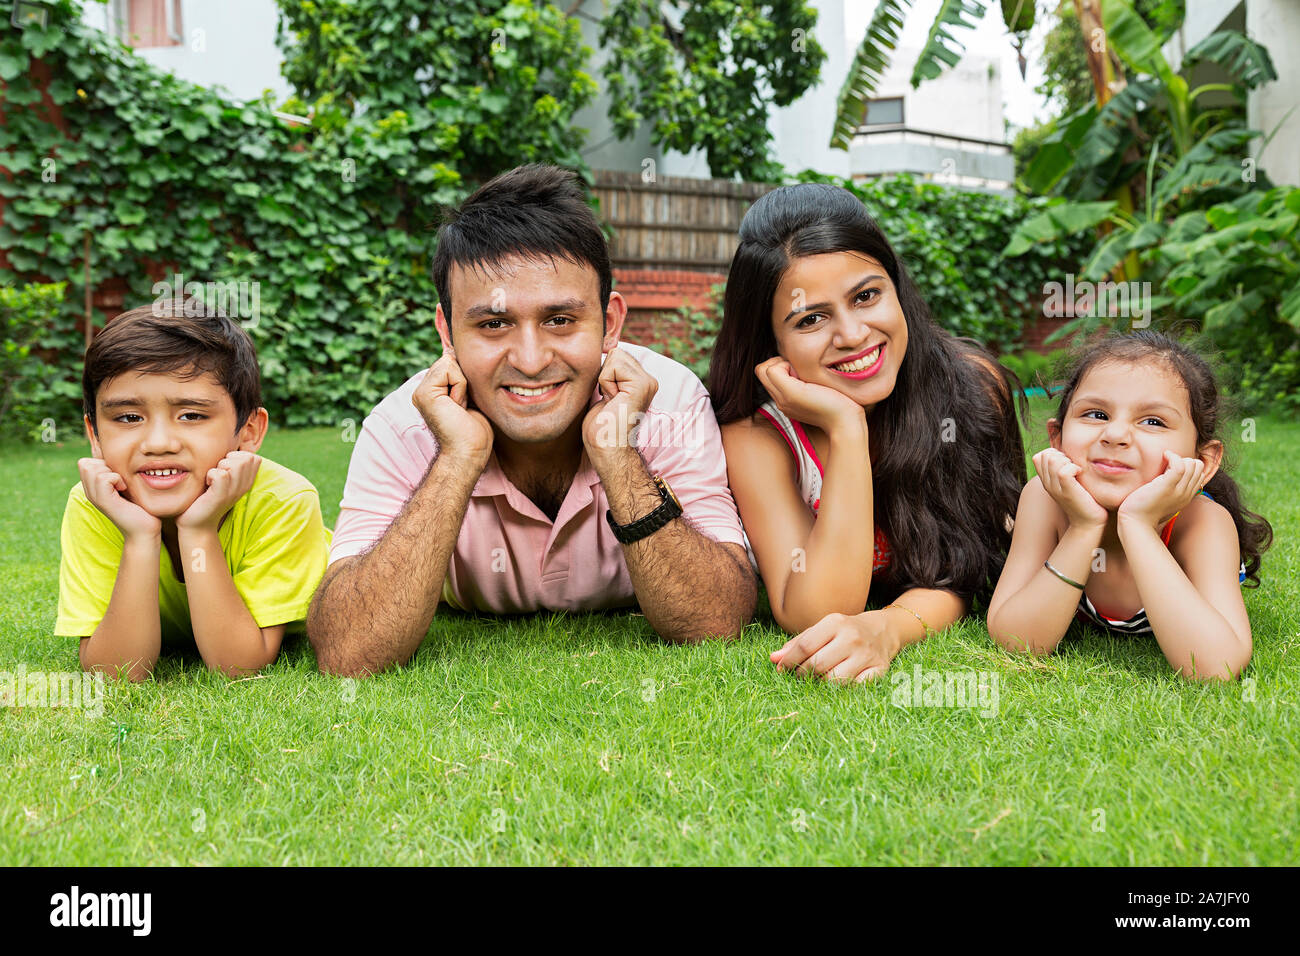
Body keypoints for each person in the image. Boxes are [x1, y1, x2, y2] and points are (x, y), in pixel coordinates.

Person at [308, 164, 755, 677]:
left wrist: (615, 450)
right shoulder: (402, 424)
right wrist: (457, 458)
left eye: (559, 320)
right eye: (493, 324)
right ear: (447, 333)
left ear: (609, 325)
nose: (530, 358)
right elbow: (347, 652)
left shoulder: (667, 401)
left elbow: (716, 622)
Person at [709, 182, 1025, 683]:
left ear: (896, 289)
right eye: (811, 319)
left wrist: (891, 627)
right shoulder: (757, 434)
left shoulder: (971, 390)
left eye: (867, 296)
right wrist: (846, 426)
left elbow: (966, 571)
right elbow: (813, 610)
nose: (853, 335)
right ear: (772, 342)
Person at [55, 304, 332, 680]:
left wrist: (199, 530)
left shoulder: (283, 499)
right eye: (128, 418)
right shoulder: (96, 502)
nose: (158, 443)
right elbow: (115, 673)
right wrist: (139, 536)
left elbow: (238, 666)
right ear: (95, 435)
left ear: (249, 431)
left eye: (191, 415)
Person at [987, 331, 1272, 679]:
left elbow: (1216, 666)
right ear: (1058, 440)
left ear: (1203, 460)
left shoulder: (1203, 523)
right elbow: (1017, 641)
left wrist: (1138, 526)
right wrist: (1083, 527)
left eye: (1153, 421)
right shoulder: (1044, 500)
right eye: (1095, 414)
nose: (1115, 434)